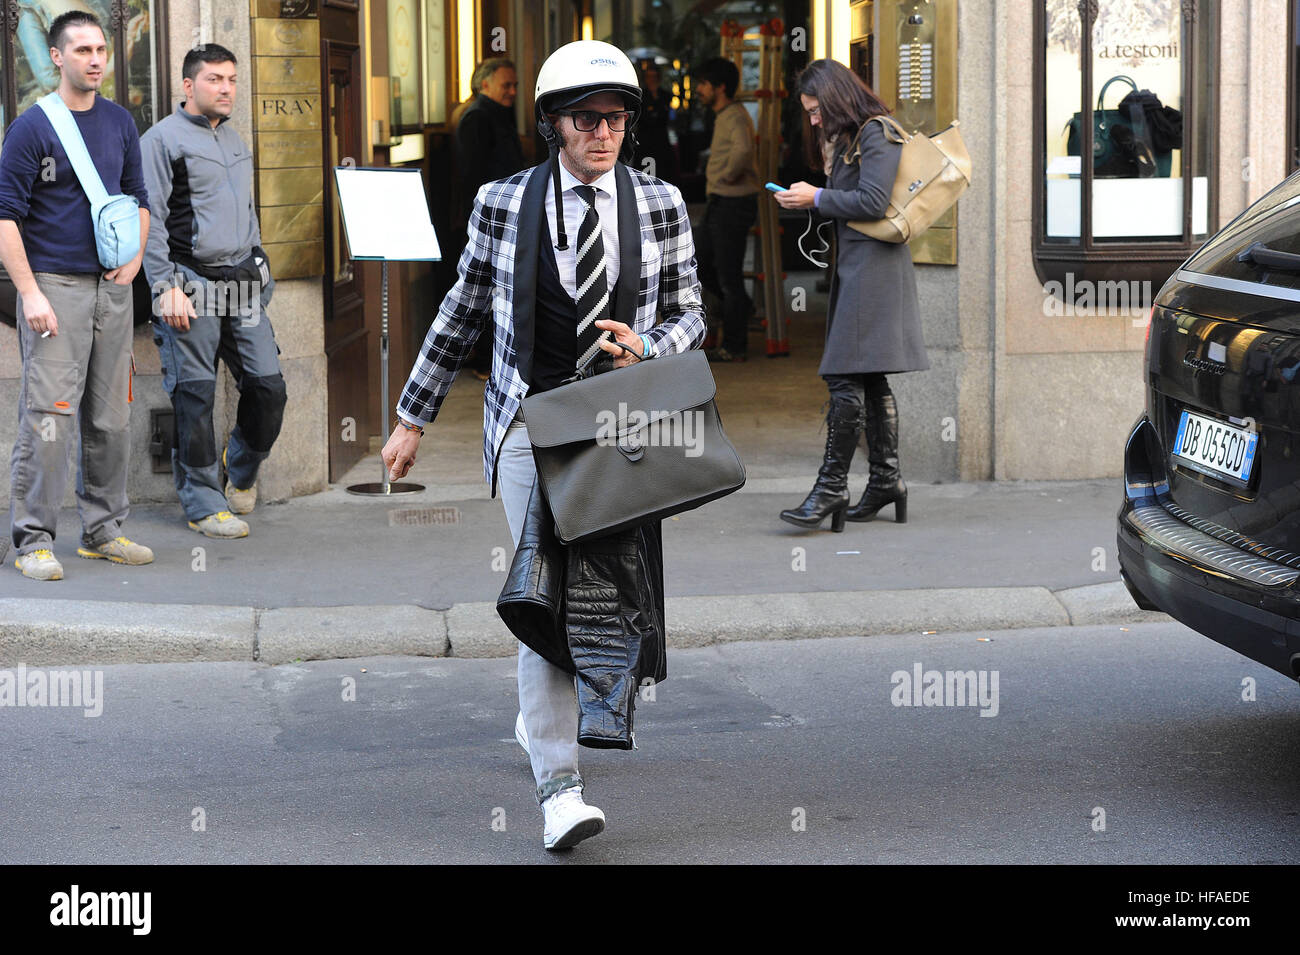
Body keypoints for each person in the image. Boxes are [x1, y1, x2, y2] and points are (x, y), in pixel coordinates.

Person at [382, 39, 705, 851]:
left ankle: (548, 722)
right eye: (587, 119)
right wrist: (410, 418)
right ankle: (560, 786)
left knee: (613, 589)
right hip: (529, 426)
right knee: (544, 597)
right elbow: (461, 312)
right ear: (554, 125)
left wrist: (652, 344)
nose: (604, 132)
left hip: (622, 427)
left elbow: (694, 313)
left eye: (617, 118)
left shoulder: (659, 201)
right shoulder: (503, 200)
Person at [0, 10, 153, 580]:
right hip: (54, 290)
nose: (95, 60)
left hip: (111, 291)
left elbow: (139, 197)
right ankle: (33, 540)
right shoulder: (31, 127)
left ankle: (104, 530)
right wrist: (30, 293)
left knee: (111, 419)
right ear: (57, 58)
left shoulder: (119, 121)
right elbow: (5, 218)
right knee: (50, 418)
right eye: (83, 50)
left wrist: (134, 259)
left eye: (101, 51)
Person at [139, 43, 286, 540]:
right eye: (215, 80)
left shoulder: (235, 137)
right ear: (188, 86)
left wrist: (260, 263)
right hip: (191, 286)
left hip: (242, 286)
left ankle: (240, 467)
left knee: (268, 389)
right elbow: (151, 222)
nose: (226, 89)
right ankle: (203, 504)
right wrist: (165, 289)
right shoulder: (161, 141)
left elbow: (245, 210)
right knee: (195, 399)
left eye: (231, 79)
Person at [774, 58, 928, 531]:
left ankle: (831, 489)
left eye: (817, 109)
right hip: (860, 268)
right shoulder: (850, 138)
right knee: (871, 379)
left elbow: (873, 201)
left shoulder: (875, 133)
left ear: (837, 98)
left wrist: (815, 198)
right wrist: (817, 193)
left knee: (842, 377)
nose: (814, 119)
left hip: (874, 271)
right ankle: (886, 480)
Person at [451, 57, 525, 380]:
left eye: (515, 85)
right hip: (492, 221)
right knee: (486, 289)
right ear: (484, 85)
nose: (512, 91)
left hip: (507, 217)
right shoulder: (478, 118)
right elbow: (474, 176)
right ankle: (484, 360)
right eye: (505, 85)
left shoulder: (497, 116)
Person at [693, 56, 759, 363]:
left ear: (719, 87)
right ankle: (740, 308)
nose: (698, 89)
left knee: (729, 275)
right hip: (719, 201)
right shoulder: (724, 116)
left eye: (703, 84)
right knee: (701, 263)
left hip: (732, 202)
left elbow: (744, 150)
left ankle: (735, 345)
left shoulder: (733, 115)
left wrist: (727, 176)